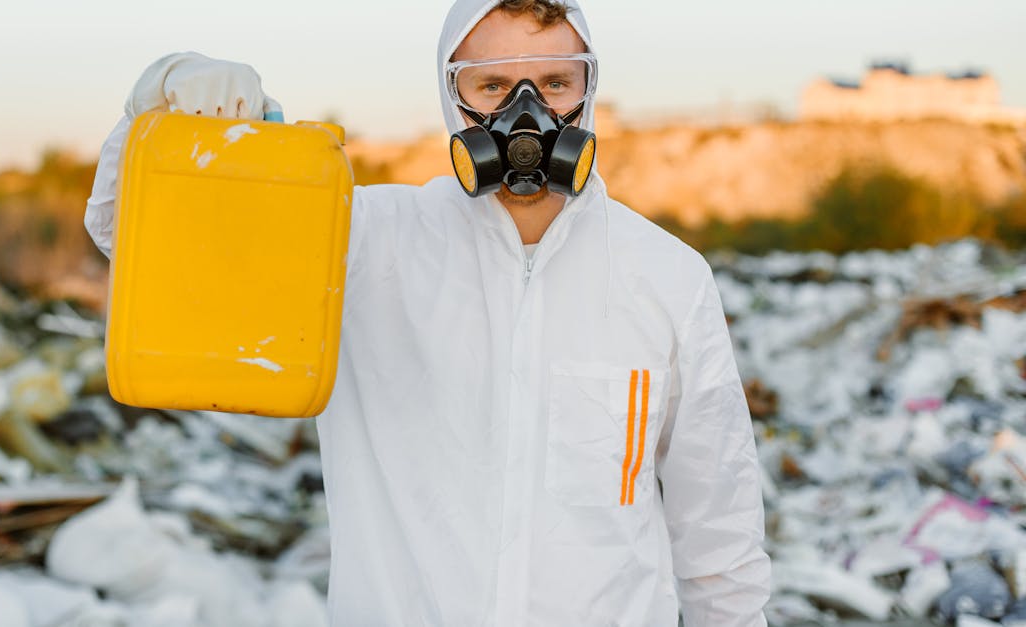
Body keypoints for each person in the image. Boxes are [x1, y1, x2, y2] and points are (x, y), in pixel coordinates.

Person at [84, 0, 771, 625]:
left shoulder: (667, 276)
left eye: (557, 84)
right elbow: (138, 237)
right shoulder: (360, 242)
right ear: (453, 96)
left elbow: (719, 534)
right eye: (493, 86)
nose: (527, 114)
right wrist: (160, 100)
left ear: (588, 92)